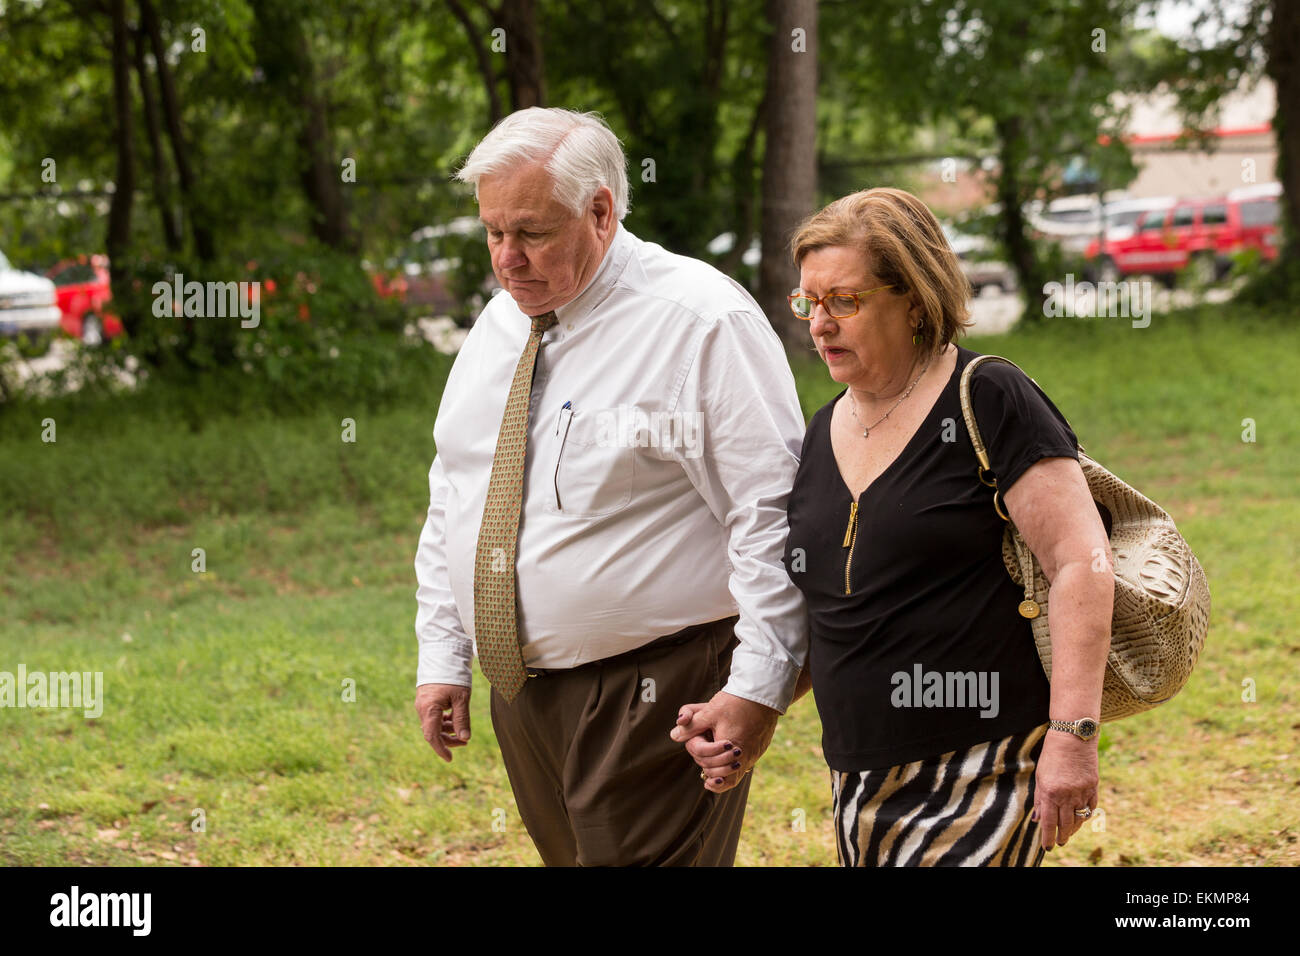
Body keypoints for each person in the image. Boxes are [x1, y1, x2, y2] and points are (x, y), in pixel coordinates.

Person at [412, 107, 809, 867]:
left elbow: (772, 517)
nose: (507, 258)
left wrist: (759, 688)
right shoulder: (498, 324)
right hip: (524, 695)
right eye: (493, 232)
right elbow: (455, 494)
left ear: (601, 210)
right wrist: (443, 657)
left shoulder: (699, 320)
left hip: (658, 689)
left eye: (531, 232)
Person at [676, 187, 1113, 866]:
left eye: (843, 301)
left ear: (913, 297)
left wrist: (1073, 734)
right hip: (860, 775)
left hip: (984, 759)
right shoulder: (820, 433)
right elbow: (843, 614)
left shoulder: (988, 396)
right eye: (808, 303)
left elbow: (1079, 562)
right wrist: (751, 705)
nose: (818, 324)